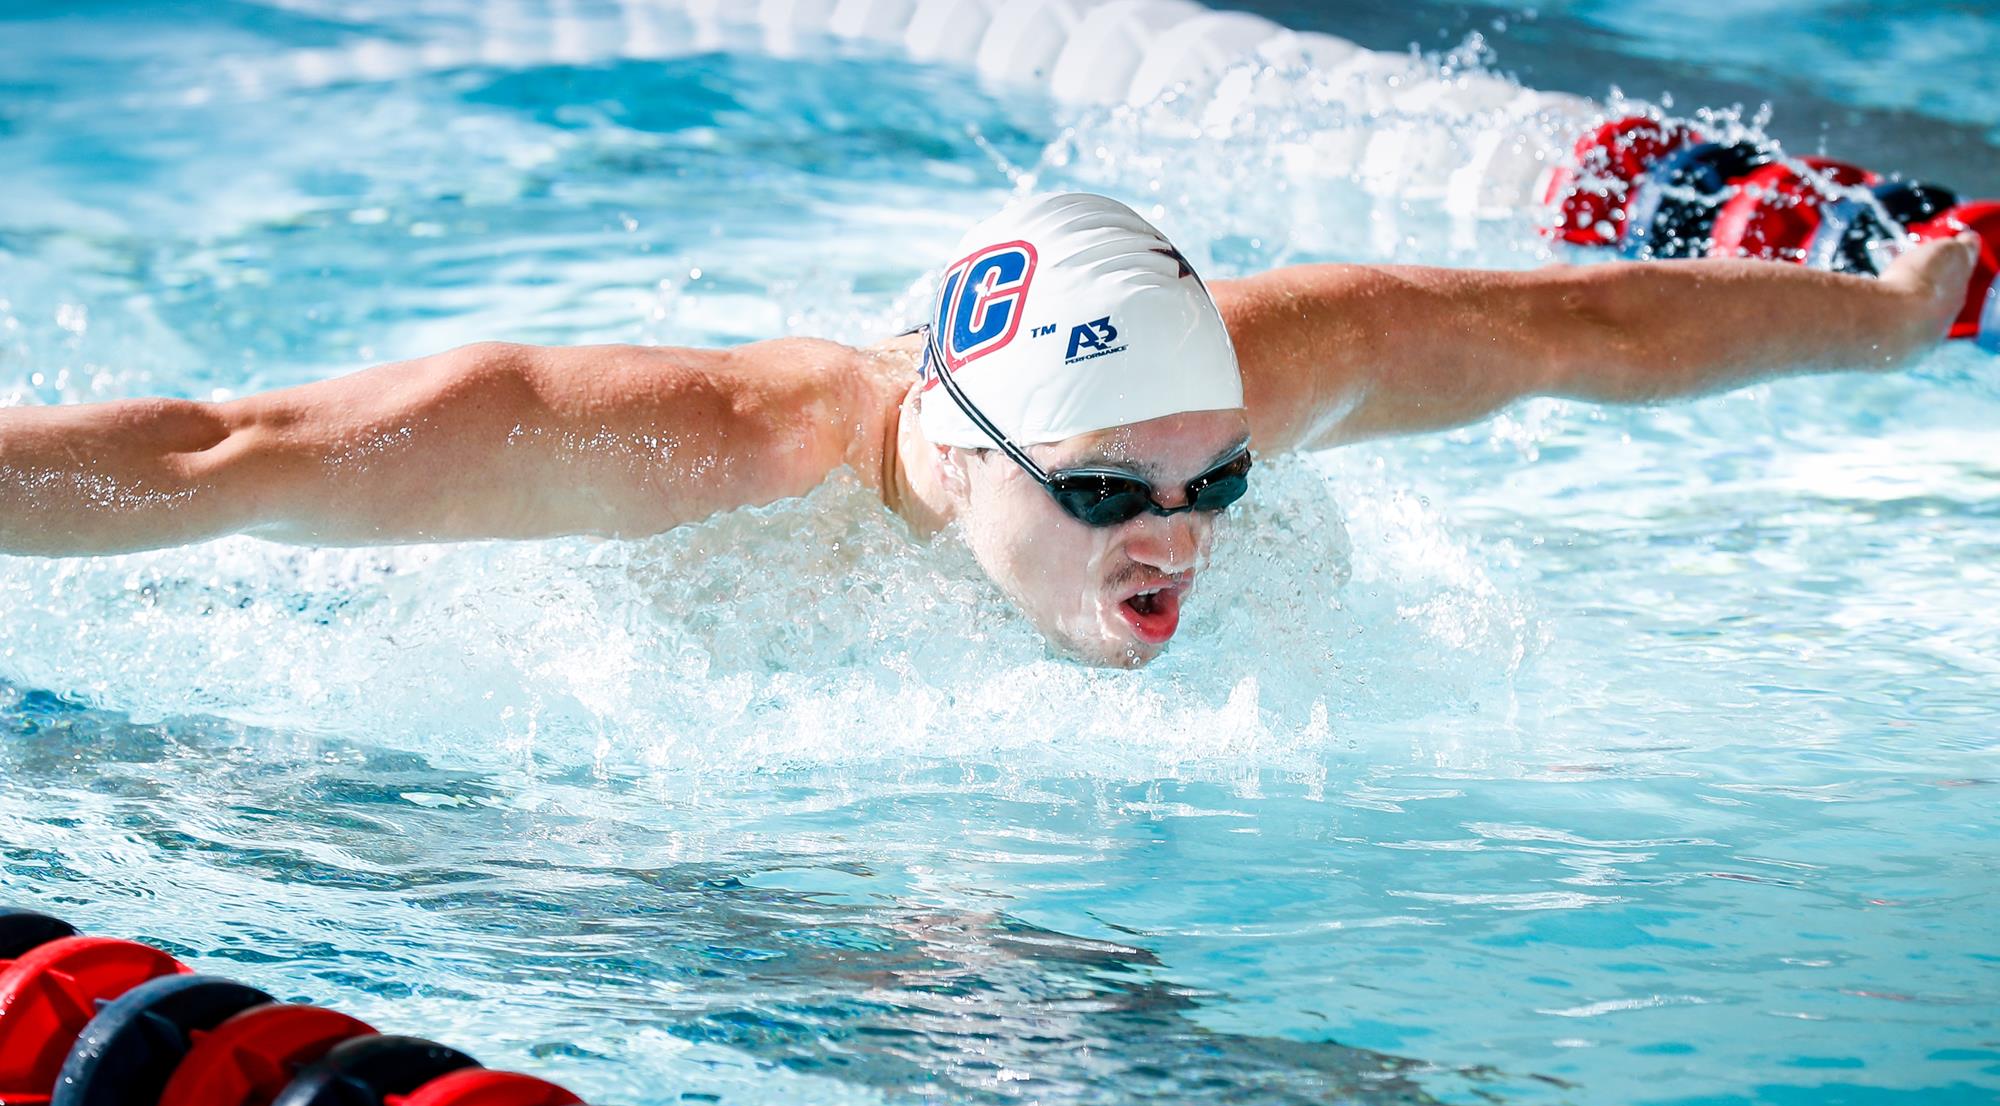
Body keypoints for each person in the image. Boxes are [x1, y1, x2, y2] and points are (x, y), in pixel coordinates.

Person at [0, 193, 1980, 666]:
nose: (1185, 529)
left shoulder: (1250, 373)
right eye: (1116, 490)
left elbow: (1596, 325)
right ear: (956, 459)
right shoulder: (677, 448)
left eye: (1218, 480)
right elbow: (209, 456)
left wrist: (1895, 326)